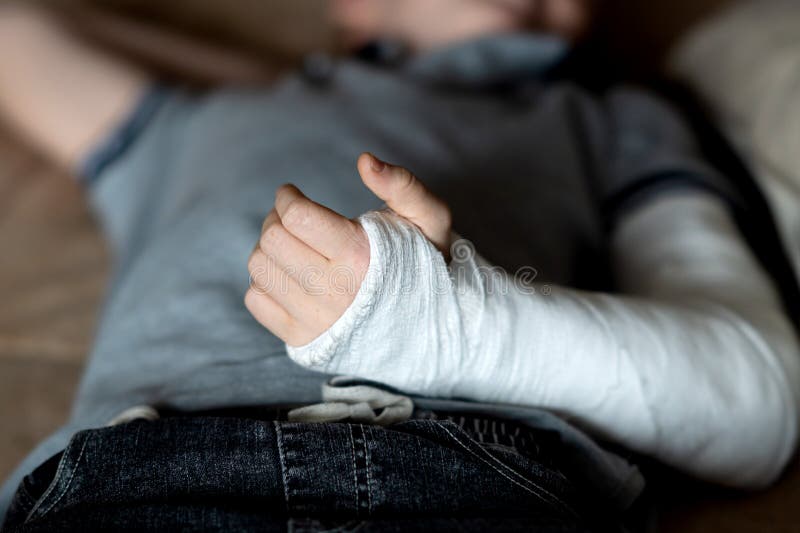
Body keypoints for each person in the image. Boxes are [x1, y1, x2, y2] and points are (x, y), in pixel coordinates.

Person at [0, 0, 798, 530]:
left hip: (470, 477)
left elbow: (754, 402)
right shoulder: (189, 125)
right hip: (140, 475)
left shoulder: (615, 118)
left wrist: (442, 322)